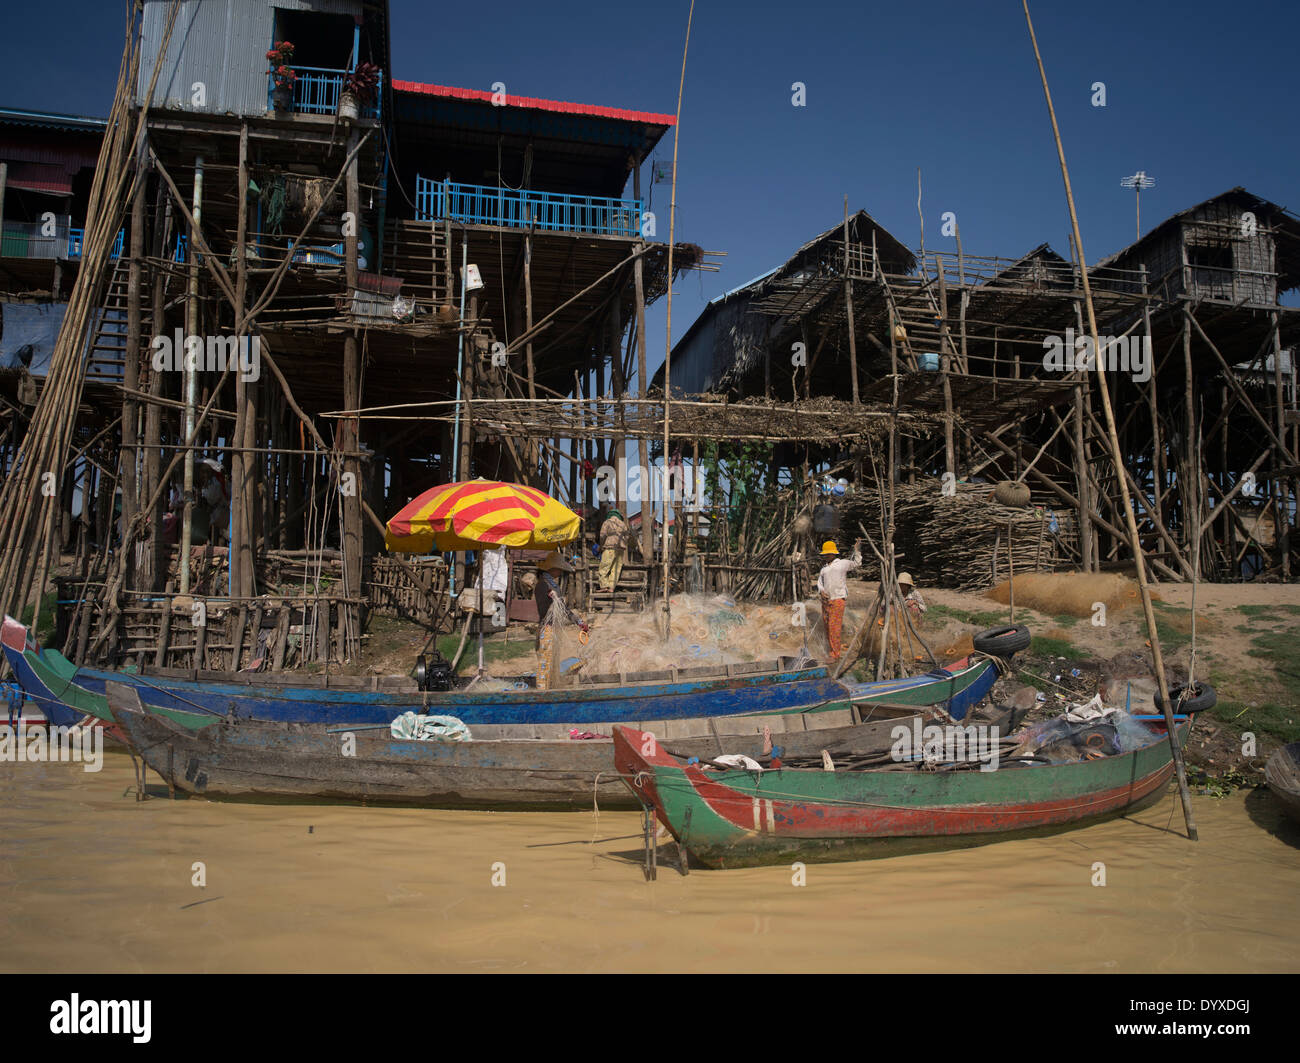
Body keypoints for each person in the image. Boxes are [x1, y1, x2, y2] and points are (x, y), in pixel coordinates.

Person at [533, 551, 587, 689]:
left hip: (553, 628)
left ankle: (548, 688)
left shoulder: (552, 586)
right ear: (552, 569)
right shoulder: (542, 586)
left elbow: (563, 609)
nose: (560, 572)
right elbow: (543, 610)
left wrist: (579, 622)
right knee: (545, 662)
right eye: (559, 569)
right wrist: (551, 598)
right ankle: (542, 691)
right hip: (547, 628)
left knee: (553, 663)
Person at [816, 539, 861, 661]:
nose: (825, 556)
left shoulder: (842, 564)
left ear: (833, 553)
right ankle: (830, 650)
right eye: (824, 554)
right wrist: (821, 591)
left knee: (834, 628)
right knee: (827, 627)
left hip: (837, 600)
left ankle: (835, 655)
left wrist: (856, 550)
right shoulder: (824, 569)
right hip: (826, 601)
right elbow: (820, 583)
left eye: (827, 554)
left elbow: (856, 563)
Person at [598, 507, 629, 591]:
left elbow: (602, 535)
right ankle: (611, 587)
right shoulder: (623, 524)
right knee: (616, 569)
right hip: (620, 549)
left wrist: (601, 545)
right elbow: (627, 537)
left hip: (610, 547)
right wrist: (622, 544)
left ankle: (604, 586)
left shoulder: (607, 522)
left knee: (604, 567)